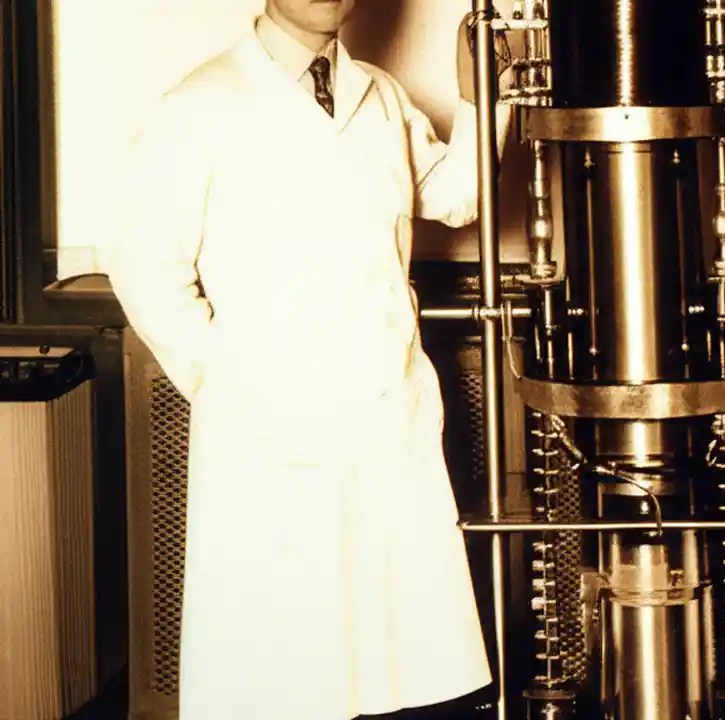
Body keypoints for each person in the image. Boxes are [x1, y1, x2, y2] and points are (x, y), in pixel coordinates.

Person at [106, 1, 513, 718]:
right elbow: (144, 270)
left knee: (395, 674)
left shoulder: (380, 97)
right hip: (268, 441)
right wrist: (235, 384)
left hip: (384, 424)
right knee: (284, 675)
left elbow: (456, 197)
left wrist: (482, 97)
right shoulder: (200, 106)